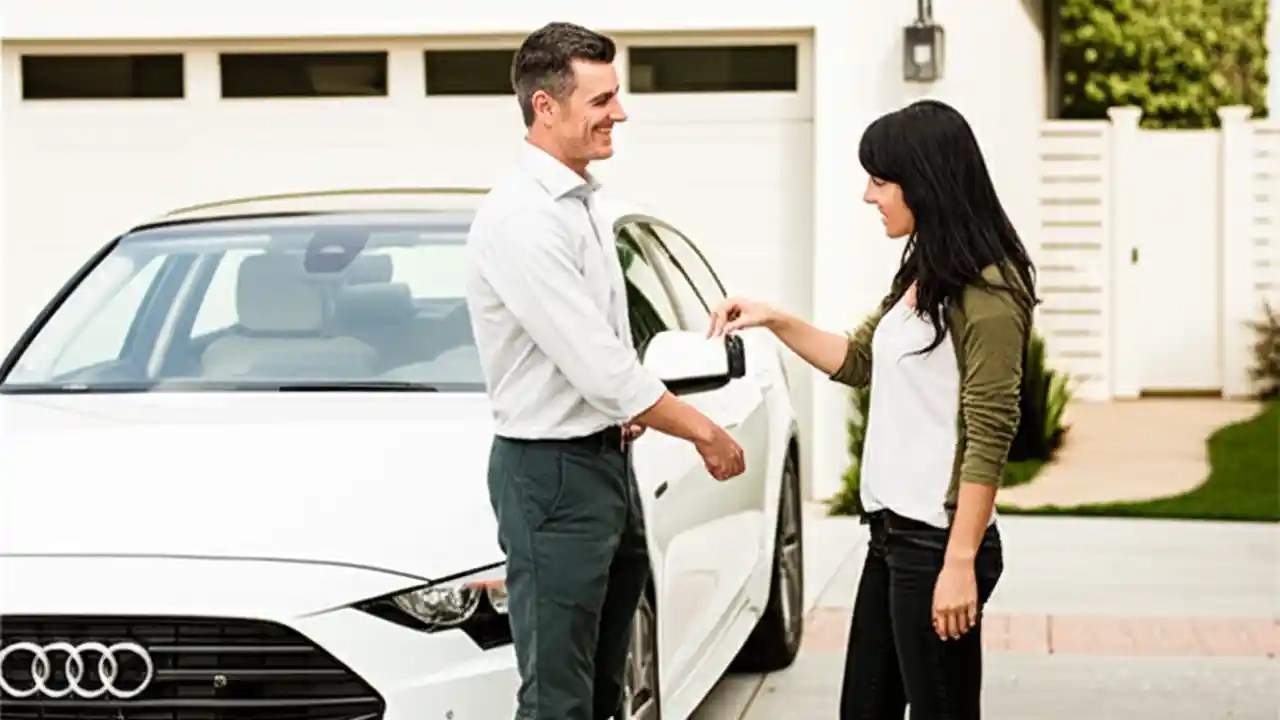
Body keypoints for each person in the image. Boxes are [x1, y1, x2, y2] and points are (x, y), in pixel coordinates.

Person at [708, 99, 1037, 719]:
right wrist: (774, 318)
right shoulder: (927, 271)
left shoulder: (988, 291)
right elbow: (858, 361)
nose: (868, 196)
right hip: (892, 540)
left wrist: (960, 561)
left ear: (927, 181)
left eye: (881, 181)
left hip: (937, 546)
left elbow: (990, 431)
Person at [464, 21, 746, 720]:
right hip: (551, 477)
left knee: (602, 692)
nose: (619, 113)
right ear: (546, 107)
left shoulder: (581, 204)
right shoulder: (523, 220)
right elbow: (602, 368)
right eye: (602, 100)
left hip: (603, 466)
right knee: (558, 698)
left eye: (615, 96)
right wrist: (704, 432)